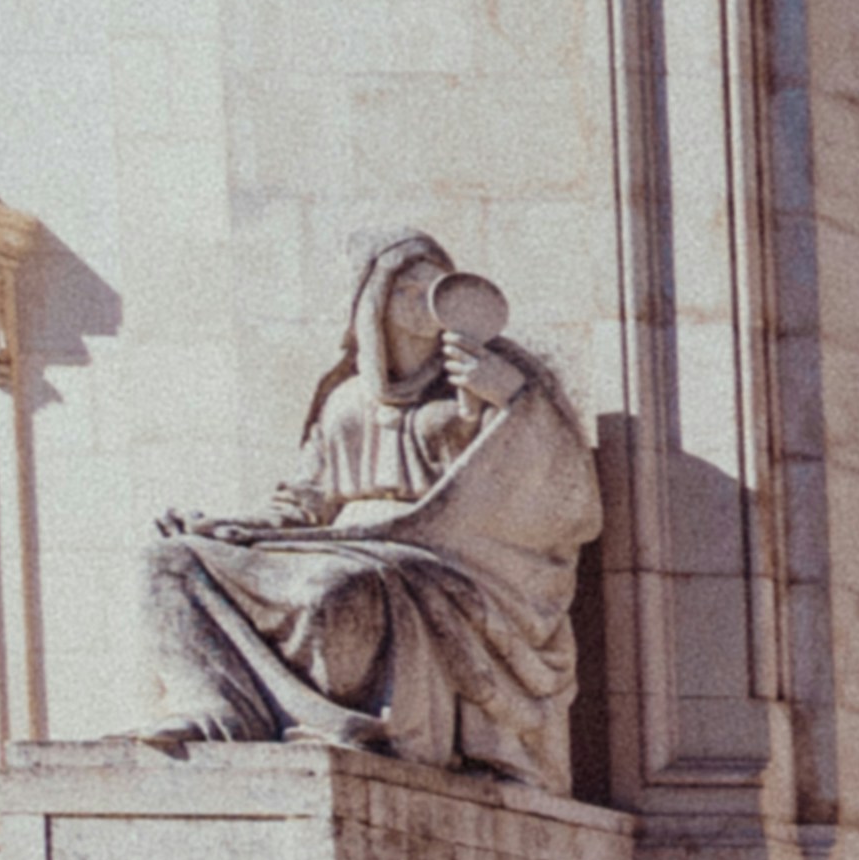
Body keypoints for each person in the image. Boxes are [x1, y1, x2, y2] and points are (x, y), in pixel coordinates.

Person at [145, 232, 603, 786]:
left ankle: (344, 726)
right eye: (404, 291)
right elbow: (302, 503)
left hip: (443, 553)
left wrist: (510, 399)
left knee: (335, 589)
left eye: (432, 291)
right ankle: (217, 708)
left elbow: (566, 495)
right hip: (333, 542)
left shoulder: (484, 380)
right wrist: (225, 528)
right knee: (170, 560)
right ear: (372, 304)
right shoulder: (344, 398)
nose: (420, 303)